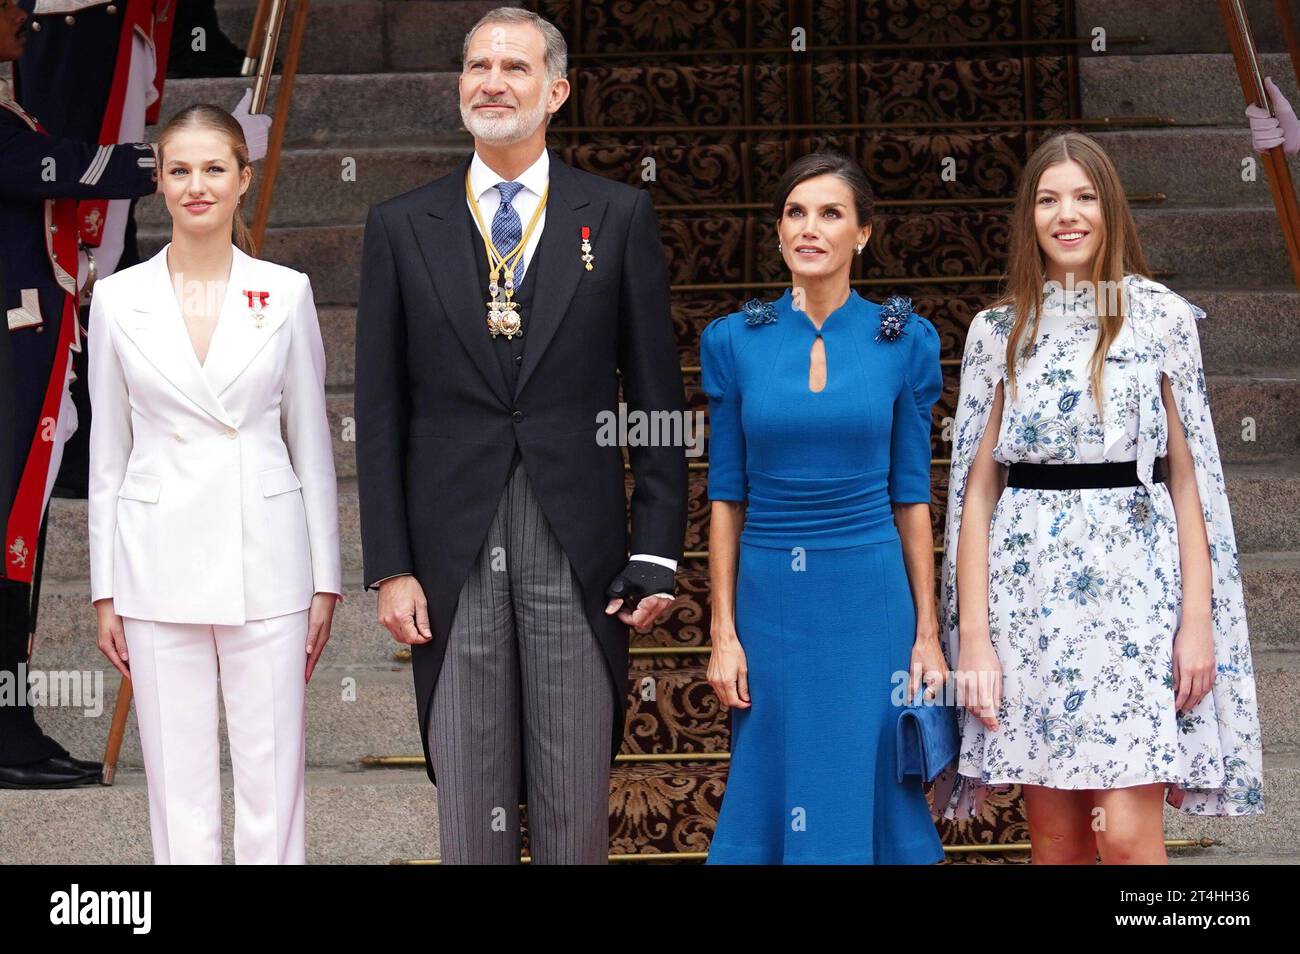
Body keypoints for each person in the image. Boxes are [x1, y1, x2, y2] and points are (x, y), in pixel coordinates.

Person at [355, 7, 688, 864]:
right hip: (448, 547)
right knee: (469, 805)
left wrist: (655, 548)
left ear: (557, 91)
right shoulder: (401, 225)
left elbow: (652, 395)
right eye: (478, 66)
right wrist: (391, 565)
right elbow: (382, 410)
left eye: (514, 66)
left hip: (576, 542)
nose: (493, 82)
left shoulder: (612, 217)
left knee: (575, 800)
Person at [939, 131, 1265, 865]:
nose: (1067, 214)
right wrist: (978, 641)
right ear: (1028, 216)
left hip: (1138, 601)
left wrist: (1197, 625)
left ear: (1110, 209)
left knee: (1123, 838)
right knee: (1057, 846)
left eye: (1084, 196)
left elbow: (1190, 479)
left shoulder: (1161, 319)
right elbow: (975, 494)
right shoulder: (997, 330)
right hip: (1028, 604)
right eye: (1049, 199)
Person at [86, 104, 341, 863]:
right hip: (155, 563)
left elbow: (312, 446)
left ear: (242, 181)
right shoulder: (117, 297)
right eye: (179, 170)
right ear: (159, 183)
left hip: (267, 559)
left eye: (213, 169)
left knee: (272, 786)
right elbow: (108, 453)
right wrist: (105, 588)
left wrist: (326, 577)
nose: (196, 186)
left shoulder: (287, 292)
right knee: (177, 788)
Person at [702, 151, 946, 864]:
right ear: (778, 230)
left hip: (872, 600)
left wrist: (928, 633)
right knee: (774, 775)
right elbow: (724, 496)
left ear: (863, 233)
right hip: (770, 598)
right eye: (795, 212)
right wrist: (723, 631)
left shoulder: (905, 340)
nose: (810, 227)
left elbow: (911, 495)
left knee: (865, 778)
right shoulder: (732, 340)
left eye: (831, 213)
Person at [1, 0, 158, 788]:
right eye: (8, 7)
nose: (22, 18)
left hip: (24, 352)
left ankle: (12, 720)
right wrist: (182, 160)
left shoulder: (9, 107)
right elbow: (51, 166)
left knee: (13, 539)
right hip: (8, 358)